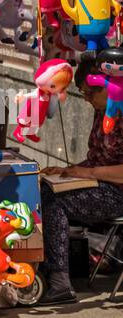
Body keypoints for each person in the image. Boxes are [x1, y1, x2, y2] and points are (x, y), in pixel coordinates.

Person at [38, 54, 123, 305]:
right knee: (44, 188)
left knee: (55, 201)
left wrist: (87, 173)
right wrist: (69, 171)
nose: (85, 99)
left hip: (116, 193)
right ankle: (48, 269)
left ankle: (60, 281)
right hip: (100, 184)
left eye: (89, 93)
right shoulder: (103, 112)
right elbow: (97, 158)